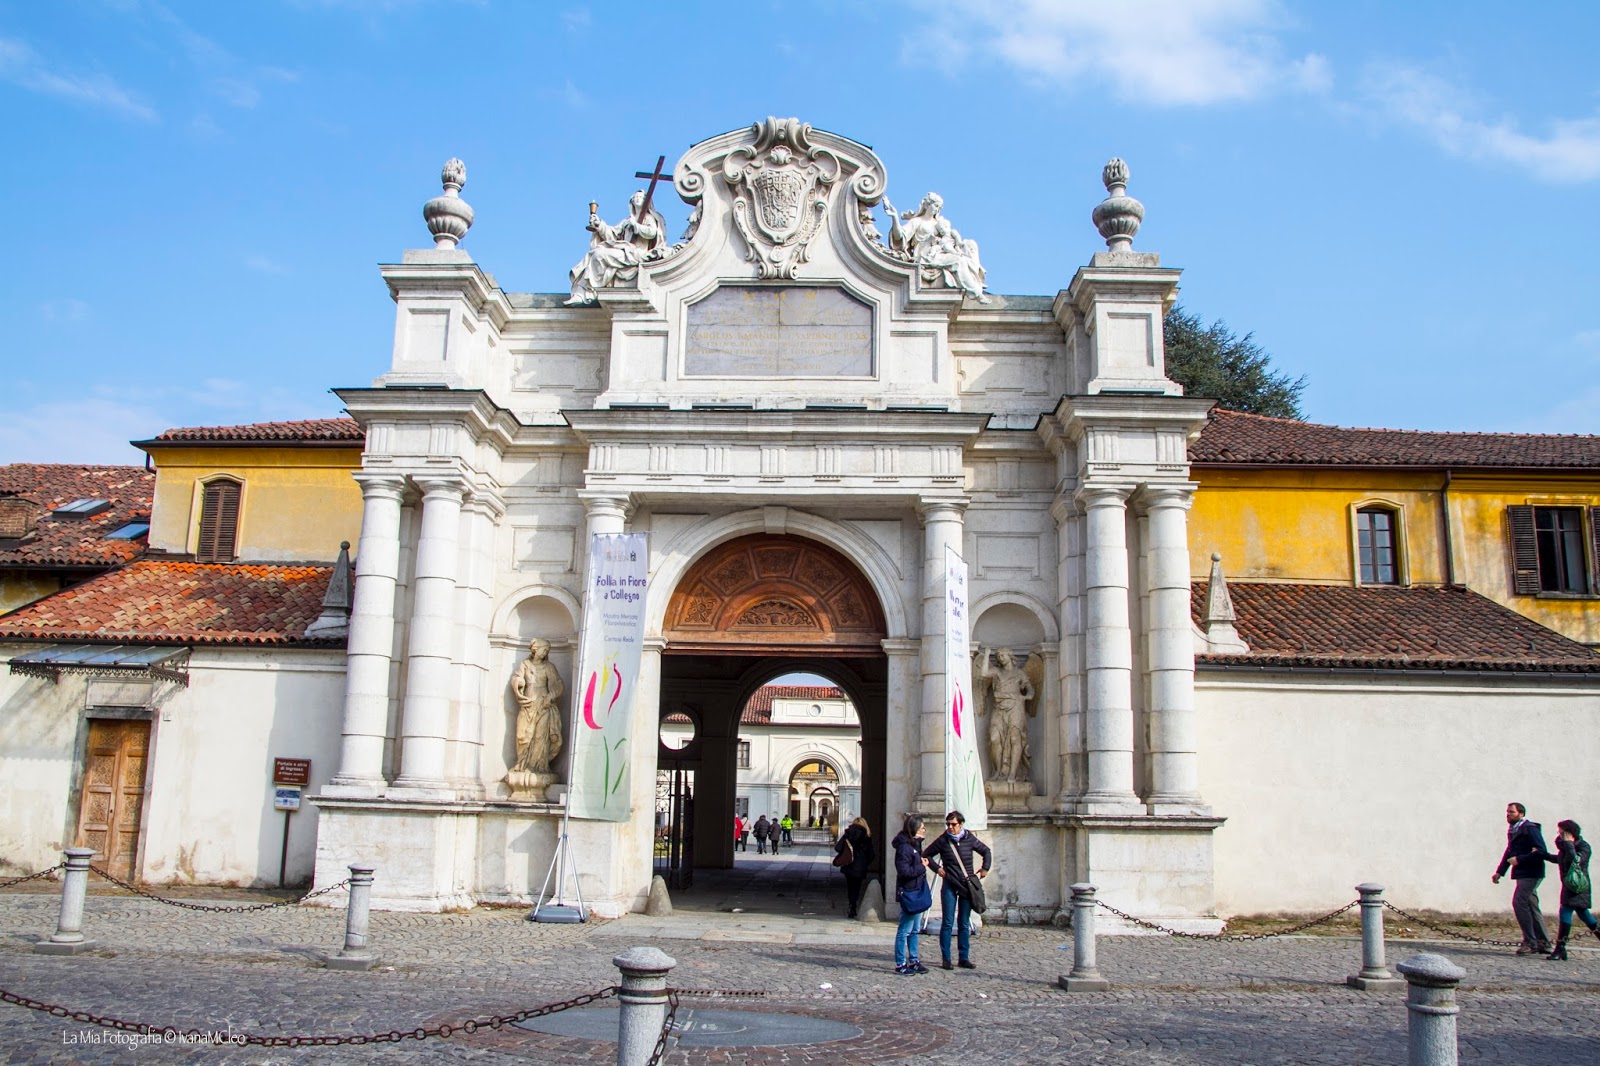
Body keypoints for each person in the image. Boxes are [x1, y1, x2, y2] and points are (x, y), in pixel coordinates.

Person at [565, 191, 668, 305]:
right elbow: (613, 235)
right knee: (596, 253)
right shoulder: (627, 220)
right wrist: (599, 224)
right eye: (635, 197)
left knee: (600, 255)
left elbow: (652, 232)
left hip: (637, 253)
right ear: (632, 202)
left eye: (640, 197)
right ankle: (581, 292)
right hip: (625, 251)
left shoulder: (648, 217)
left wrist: (637, 226)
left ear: (646, 201)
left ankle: (586, 292)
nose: (637, 199)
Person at [924, 809, 992, 970]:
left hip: (966, 884)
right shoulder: (943, 840)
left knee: (963, 922)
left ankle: (964, 957)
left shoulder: (969, 838)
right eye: (948, 824)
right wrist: (937, 869)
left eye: (953, 824)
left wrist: (985, 869)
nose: (950, 827)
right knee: (947, 922)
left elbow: (986, 851)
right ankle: (946, 958)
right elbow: (926, 855)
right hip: (949, 883)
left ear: (961, 824)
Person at [1493, 801, 1552, 955]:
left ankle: (1530, 942)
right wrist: (1500, 871)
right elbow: (1509, 851)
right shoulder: (1514, 830)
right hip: (1523, 873)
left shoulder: (1529, 829)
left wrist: (1519, 860)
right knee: (1532, 905)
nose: (1508, 815)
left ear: (1521, 814)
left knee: (1519, 902)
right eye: (1507, 812)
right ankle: (1543, 942)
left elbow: (1541, 851)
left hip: (1532, 872)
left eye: (1511, 812)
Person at [1534, 819, 1597, 961]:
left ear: (1569, 832)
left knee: (1567, 912)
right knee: (1584, 916)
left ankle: (1560, 949)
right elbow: (1560, 859)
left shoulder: (1583, 846)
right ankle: (1560, 949)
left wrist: (1568, 844)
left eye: (1561, 831)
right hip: (1568, 886)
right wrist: (1542, 854)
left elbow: (1577, 860)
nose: (1559, 834)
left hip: (1578, 887)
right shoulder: (1564, 847)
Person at [976, 646, 1036, 783]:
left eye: (1003, 655)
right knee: (994, 737)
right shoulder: (997, 671)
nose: (1001, 658)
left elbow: (1031, 691)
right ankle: (998, 770)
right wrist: (986, 655)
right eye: (999, 656)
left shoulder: (1020, 673)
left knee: (1015, 738)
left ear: (1010, 656)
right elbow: (984, 673)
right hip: (999, 708)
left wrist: (1025, 697)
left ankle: (1012, 774)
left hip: (1016, 707)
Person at [509, 639, 564, 773]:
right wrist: (518, 684)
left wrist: (550, 697)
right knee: (522, 735)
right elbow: (517, 678)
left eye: (547, 651)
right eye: (544, 649)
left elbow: (558, 685)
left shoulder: (549, 667)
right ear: (535, 649)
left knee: (540, 736)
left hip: (543, 705)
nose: (545, 653)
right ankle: (522, 764)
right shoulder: (525, 664)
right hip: (528, 704)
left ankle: (538, 767)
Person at [892, 816, 932, 975]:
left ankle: (914, 959)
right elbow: (904, 872)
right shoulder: (904, 848)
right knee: (904, 930)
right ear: (914, 829)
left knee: (915, 929)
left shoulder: (915, 845)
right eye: (922, 827)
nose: (924, 829)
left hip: (917, 890)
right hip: (909, 892)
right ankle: (900, 963)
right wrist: (922, 868)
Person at [836, 816, 875, 919]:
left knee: (850, 886)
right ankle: (853, 905)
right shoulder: (866, 836)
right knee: (856, 887)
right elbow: (870, 853)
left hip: (848, 864)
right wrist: (867, 862)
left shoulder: (848, 833)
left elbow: (838, 847)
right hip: (860, 865)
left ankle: (851, 904)